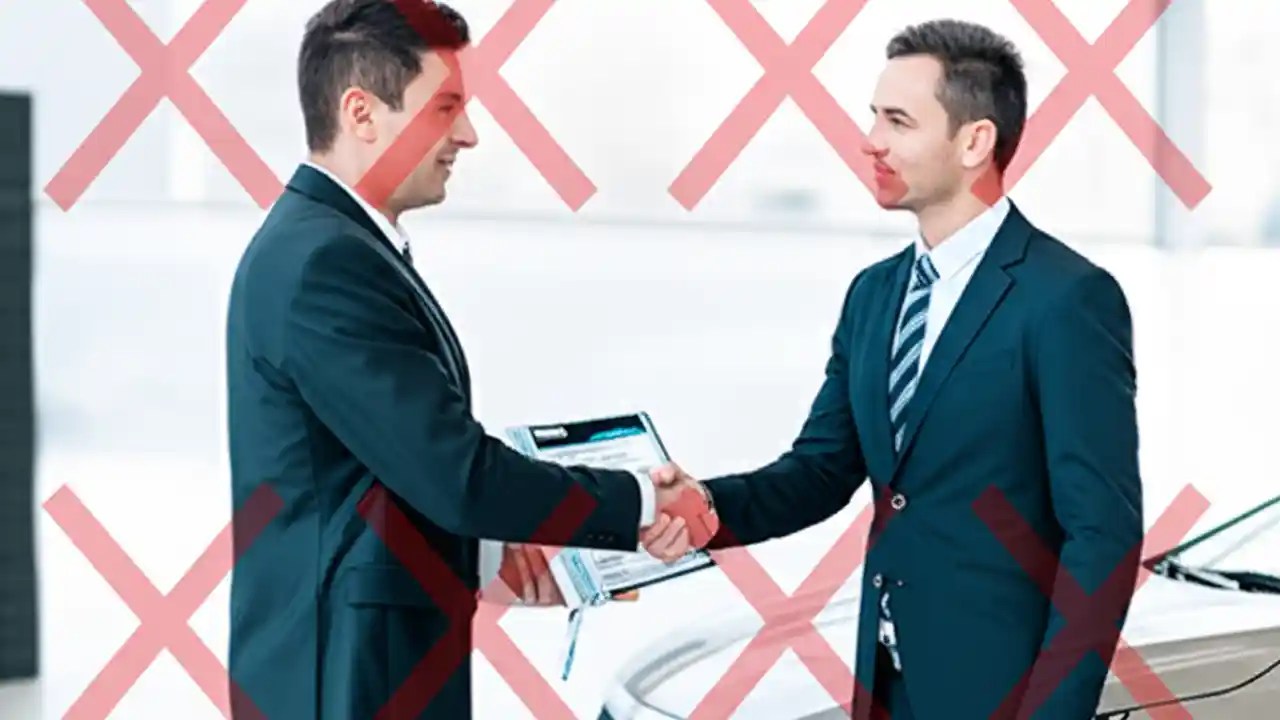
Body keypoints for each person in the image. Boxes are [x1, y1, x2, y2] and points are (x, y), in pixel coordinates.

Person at [645, 19, 1144, 720]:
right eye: (873, 115)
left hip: (1002, 693)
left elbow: (1103, 534)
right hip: (887, 684)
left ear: (975, 142)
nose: (870, 139)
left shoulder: (1065, 299)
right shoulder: (874, 294)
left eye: (898, 121)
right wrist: (707, 507)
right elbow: (820, 470)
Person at [224, 1, 703, 717]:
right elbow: (456, 474)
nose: (468, 135)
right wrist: (635, 500)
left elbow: (376, 473)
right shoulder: (324, 261)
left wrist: (487, 555)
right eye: (445, 107)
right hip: (342, 680)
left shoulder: (338, 245)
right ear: (361, 113)